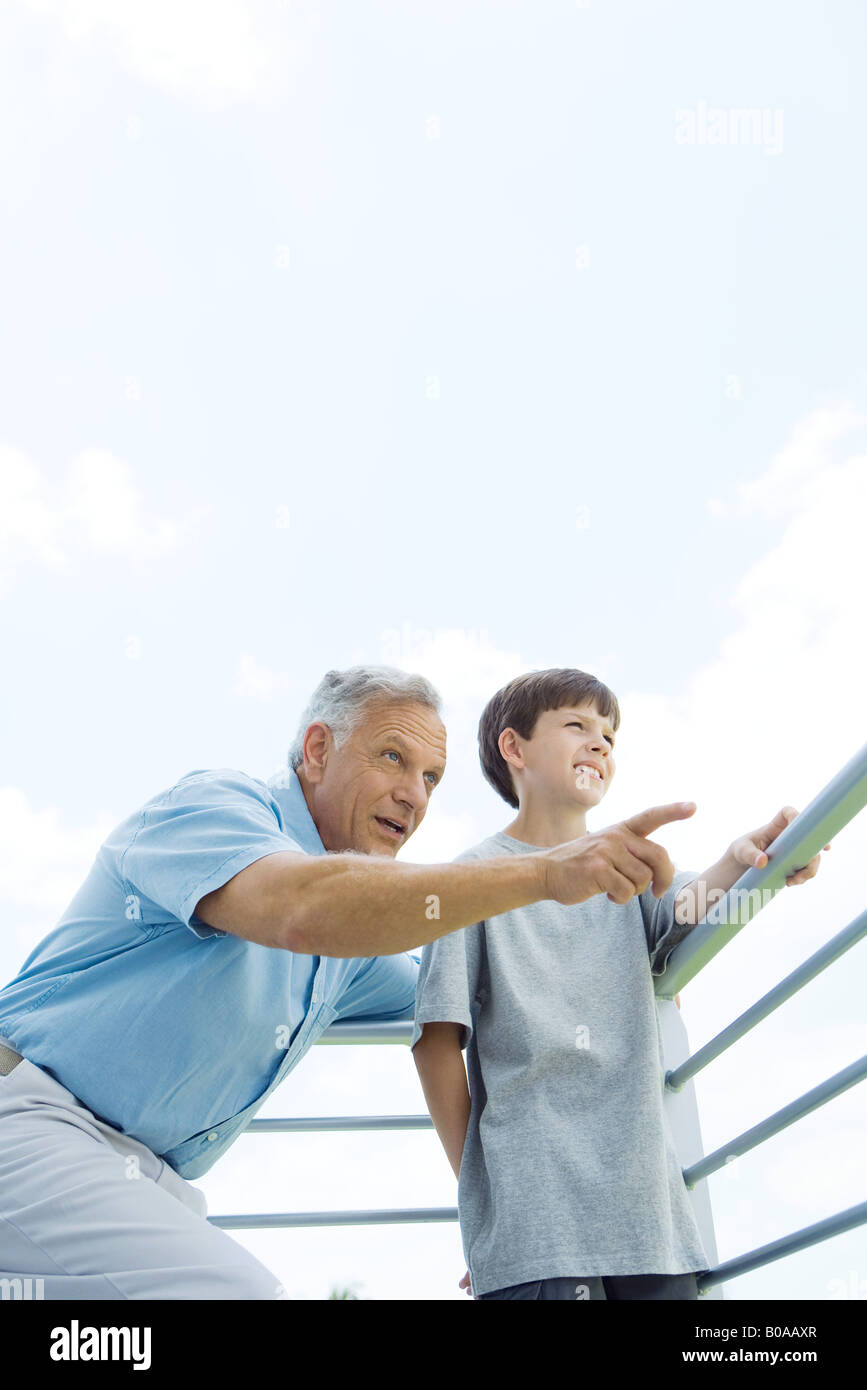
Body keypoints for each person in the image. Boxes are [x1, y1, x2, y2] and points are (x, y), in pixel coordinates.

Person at [0, 663, 714, 1300]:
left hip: (140, 1179)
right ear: (317, 751)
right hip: (29, 1119)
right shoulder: (217, 808)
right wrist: (542, 872)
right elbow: (304, 908)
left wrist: (637, 963)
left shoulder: (360, 949)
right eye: (393, 759)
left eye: (430, 779)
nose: (413, 796)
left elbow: (496, 990)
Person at [410, 668, 829, 1301]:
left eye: (609, 733)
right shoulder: (470, 881)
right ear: (514, 748)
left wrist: (747, 862)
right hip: (538, 1221)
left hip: (650, 1221)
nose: (600, 742)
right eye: (576, 725)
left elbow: (694, 902)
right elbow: (436, 1042)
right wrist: (484, 1207)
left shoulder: (628, 871)